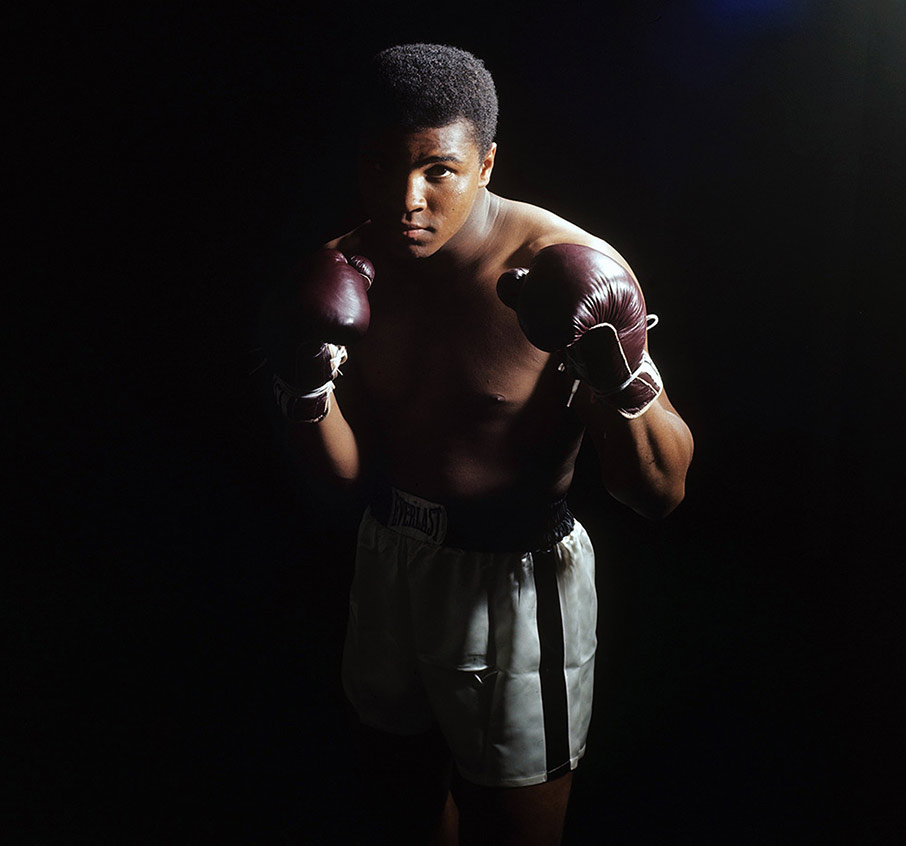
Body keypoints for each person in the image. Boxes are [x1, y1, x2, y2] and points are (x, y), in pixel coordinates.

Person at [269, 44, 694, 845]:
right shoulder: (347, 271)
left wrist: (621, 375)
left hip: (516, 582)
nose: (407, 200)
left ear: (487, 162)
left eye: (439, 170)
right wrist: (307, 392)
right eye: (384, 165)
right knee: (396, 804)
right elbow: (343, 478)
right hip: (389, 549)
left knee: (514, 831)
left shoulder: (568, 270)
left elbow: (660, 492)